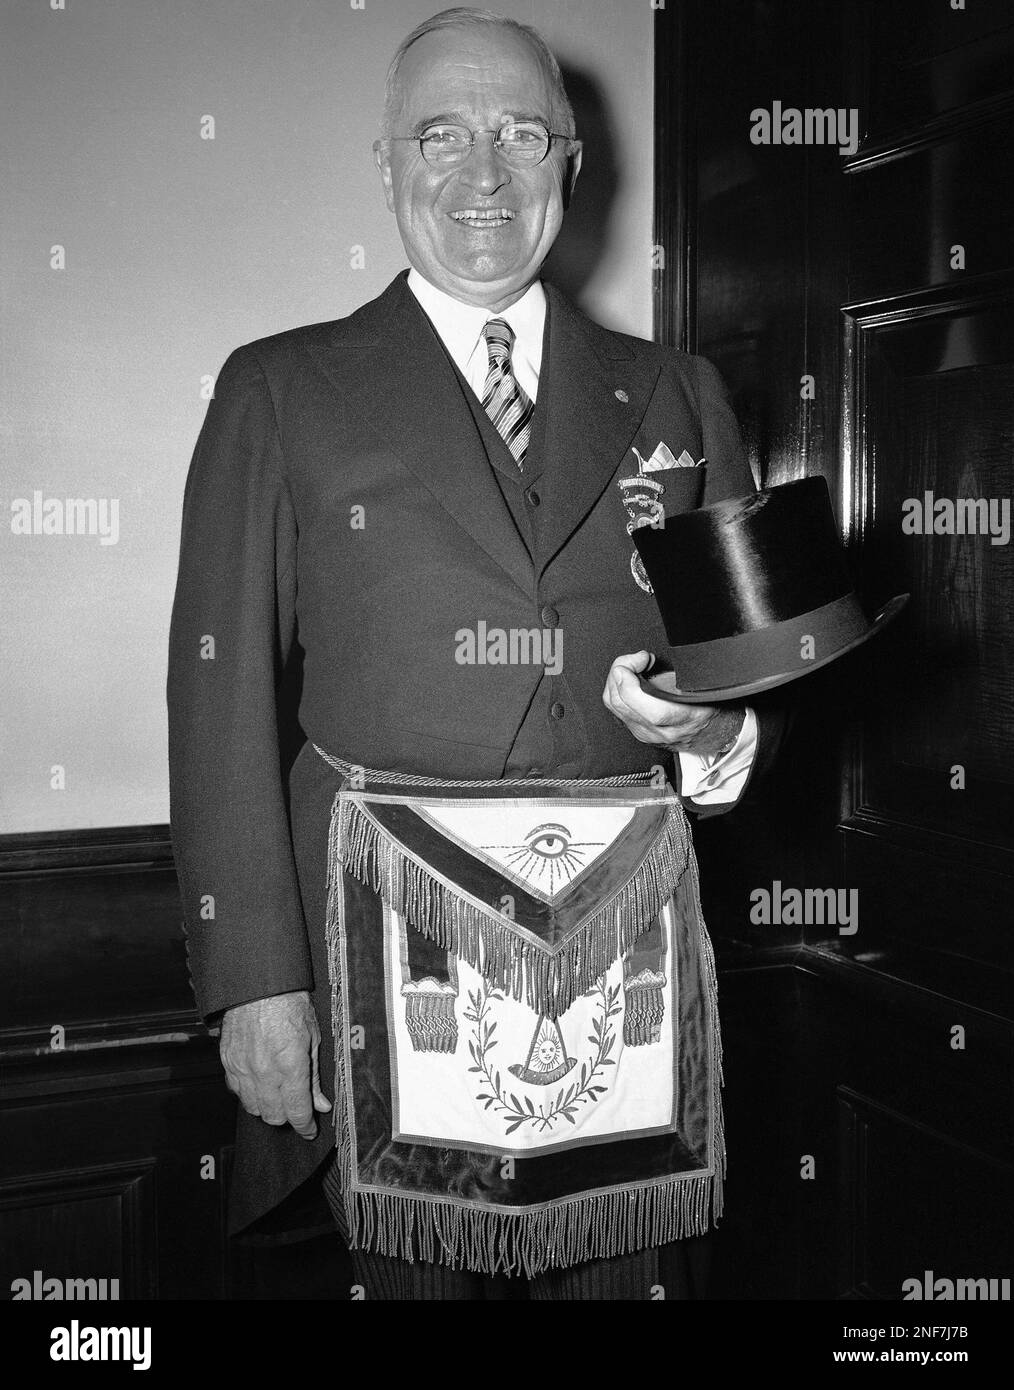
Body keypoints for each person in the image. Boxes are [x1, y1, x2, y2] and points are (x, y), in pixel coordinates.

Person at [167, 7, 785, 1301]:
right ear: (384, 166)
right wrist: (254, 985)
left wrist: (716, 737)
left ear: (570, 162)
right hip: (382, 974)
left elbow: (738, 694)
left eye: (520, 135)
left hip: (621, 985)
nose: (483, 175)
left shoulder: (678, 392)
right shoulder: (276, 391)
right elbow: (215, 692)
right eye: (439, 137)